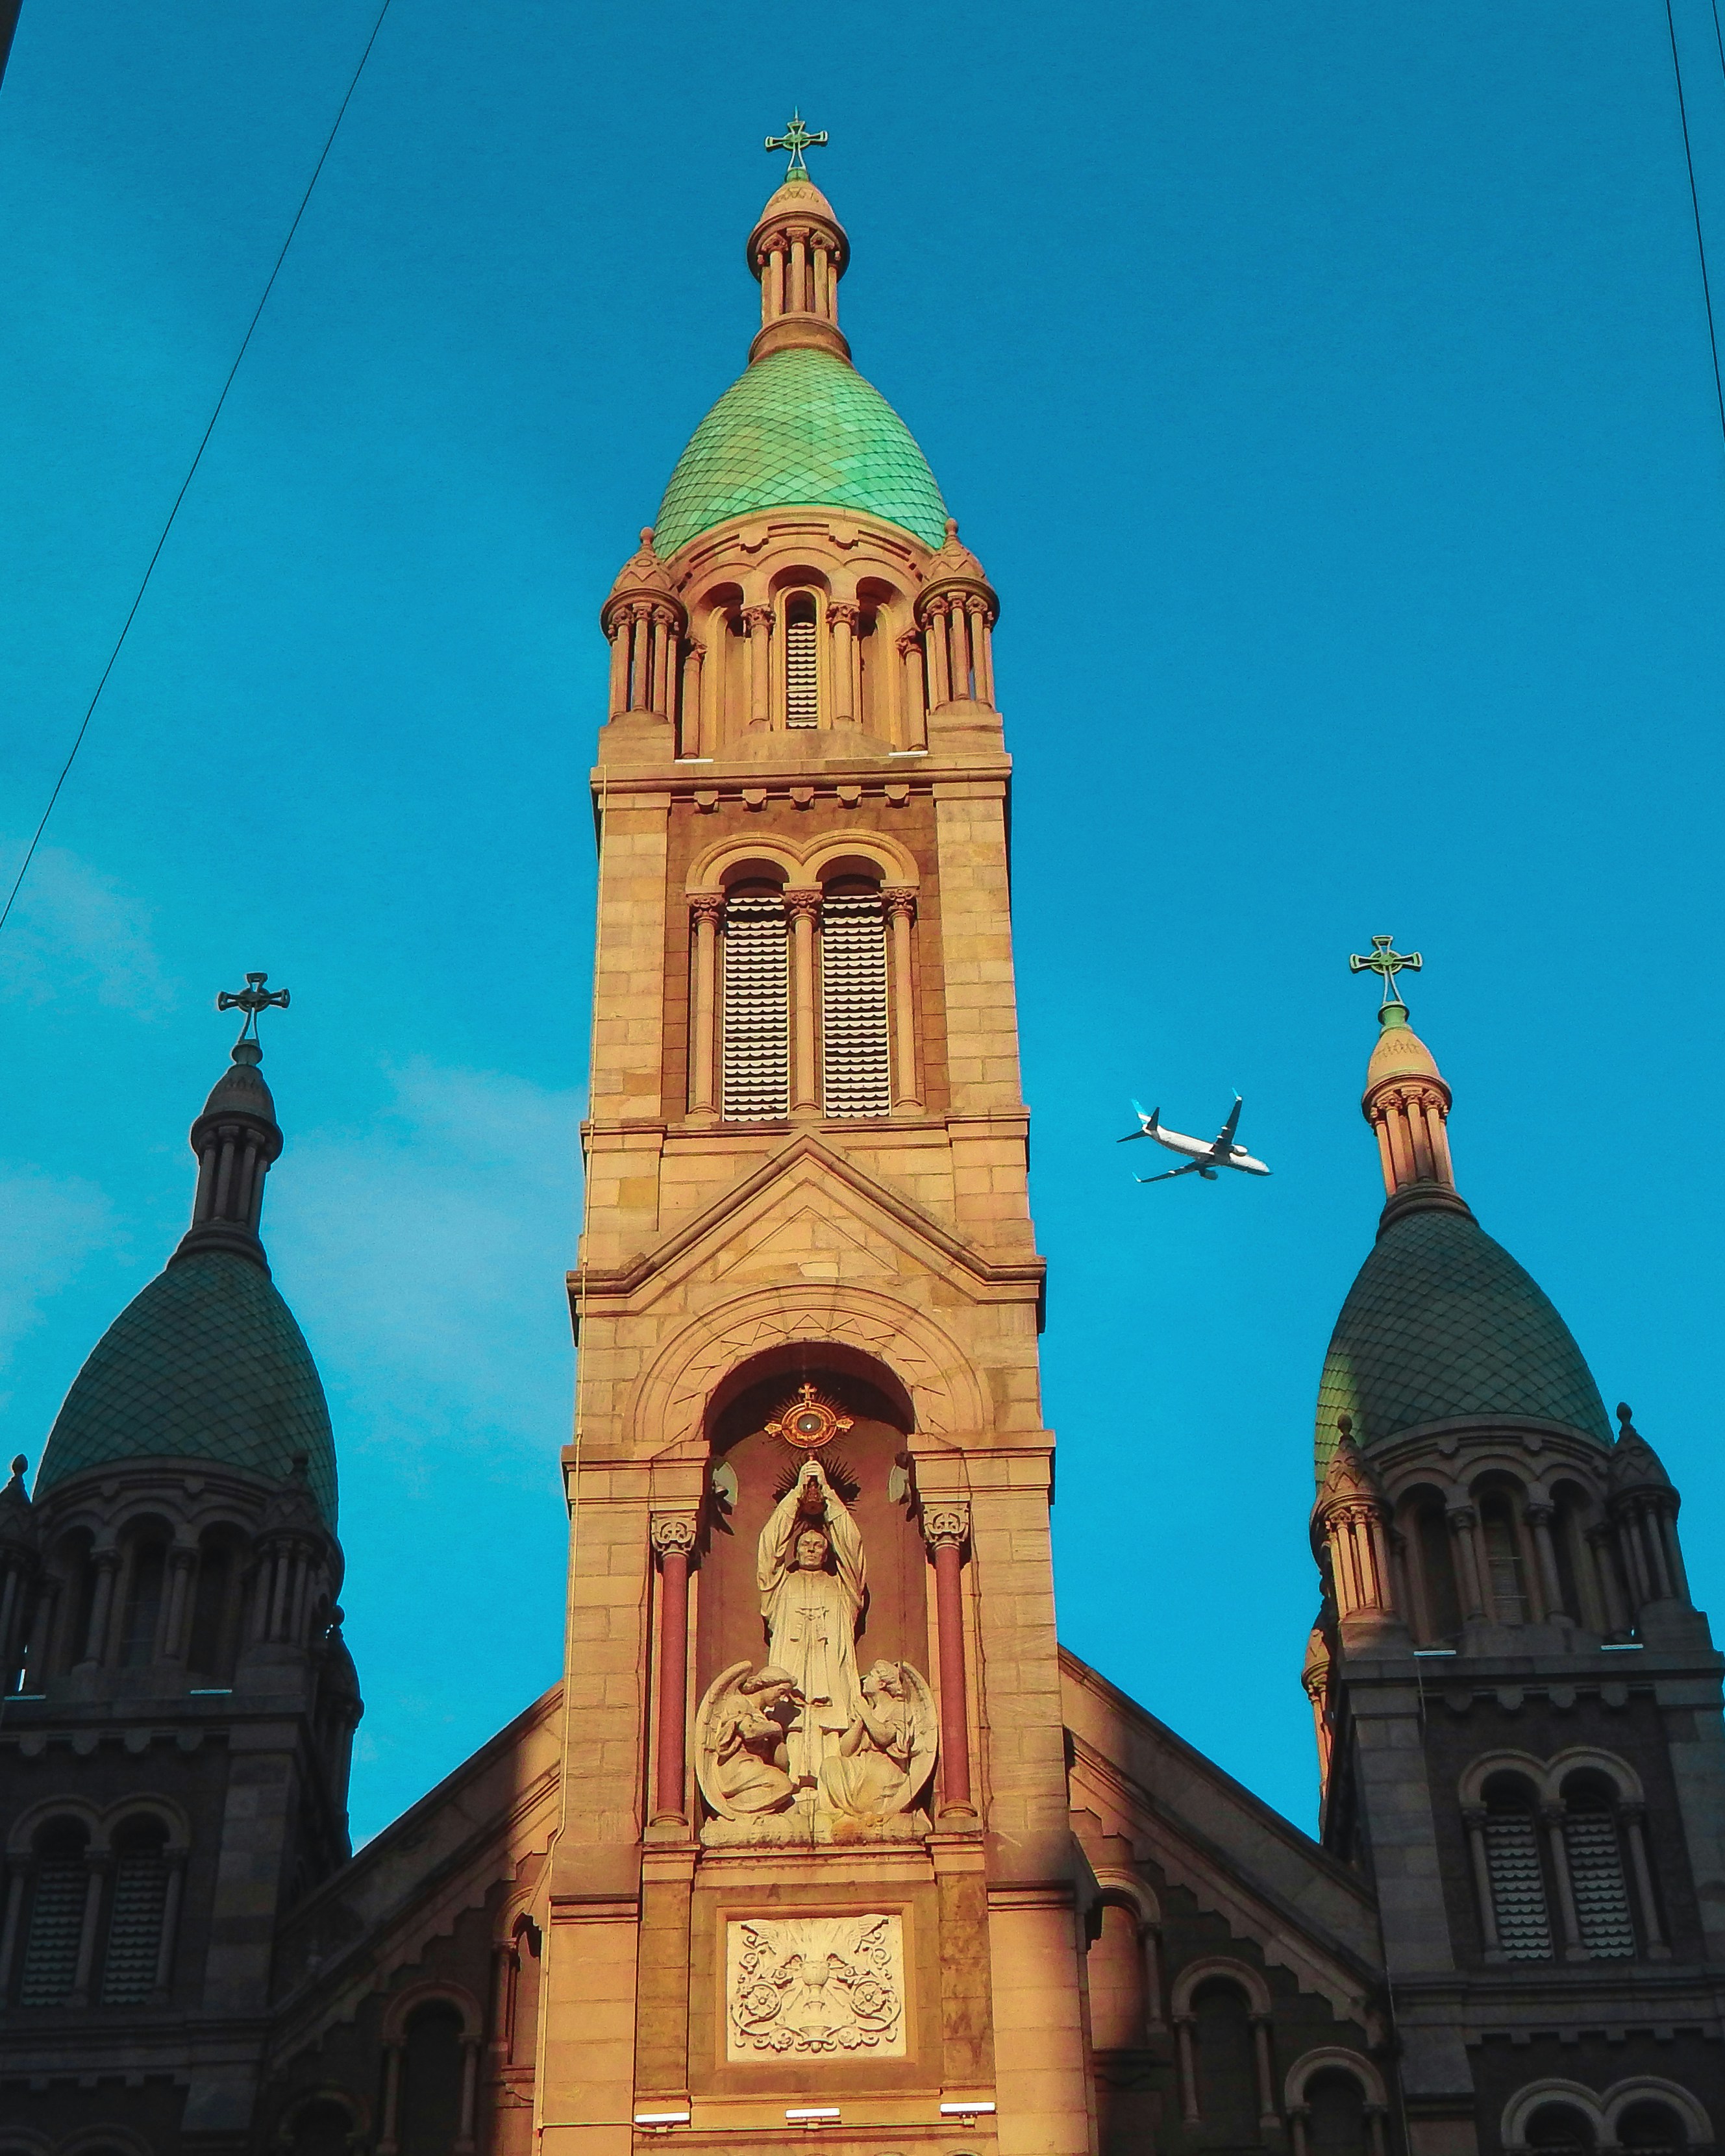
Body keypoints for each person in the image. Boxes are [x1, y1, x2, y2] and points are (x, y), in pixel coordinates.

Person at [757, 1461, 866, 1783]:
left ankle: (833, 1789)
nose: (811, 1549)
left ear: (828, 1553)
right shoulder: (779, 1586)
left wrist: (829, 1499)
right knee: (789, 1731)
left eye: (818, 1545)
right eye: (804, 1544)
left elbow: (853, 1547)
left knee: (831, 1733)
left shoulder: (843, 1588)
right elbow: (768, 1549)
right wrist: (795, 1498)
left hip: (831, 1681)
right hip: (790, 1684)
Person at [819, 1660, 915, 1821]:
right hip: (864, 1764)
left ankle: (857, 1815)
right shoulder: (868, 1710)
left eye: (871, 1676)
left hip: (885, 1768)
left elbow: (884, 1738)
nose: (865, 1680)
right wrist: (859, 1722)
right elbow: (846, 1750)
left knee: (866, 1799)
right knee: (830, 1765)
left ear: (882, 1683)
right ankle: (846, 1814)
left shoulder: (899, 1708)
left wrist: (865, 1714)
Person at [711, 1666, 800, 1814]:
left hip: (757, 1771)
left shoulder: (765, 1719)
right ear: (765, 1686)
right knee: (783, 1785)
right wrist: (773, 1728)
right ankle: (735, 1810)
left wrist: (778, 1737)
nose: (783, 1698)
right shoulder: (739, 1703)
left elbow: (782, 1764)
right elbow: (748, 1732)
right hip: (738, 1769)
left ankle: (756, 1817)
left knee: (791, 1807)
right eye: (781, 1692)